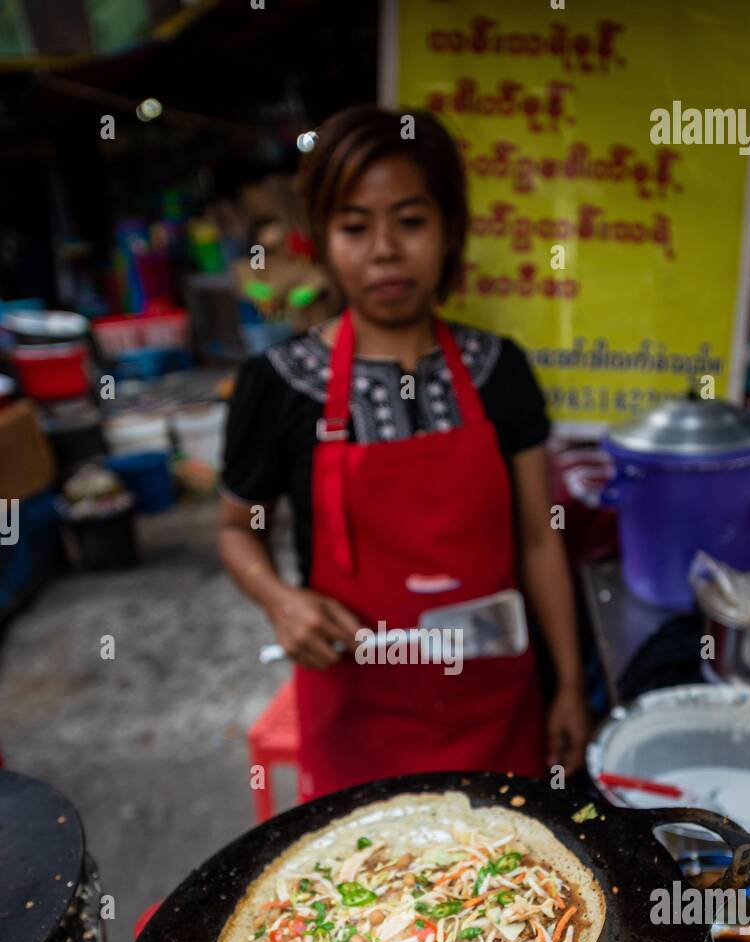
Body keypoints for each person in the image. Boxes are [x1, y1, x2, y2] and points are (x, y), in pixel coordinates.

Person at [219, 105, 587, 800]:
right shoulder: (278, 386)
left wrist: (567, 685)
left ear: (449, 233)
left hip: (499, 718)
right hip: (359, 726)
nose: (385, 249)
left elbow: (541, 540)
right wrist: (279, 601)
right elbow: (238, 529)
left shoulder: (498, 371)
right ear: (323, 241)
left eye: (411, 221)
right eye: (355, 227)